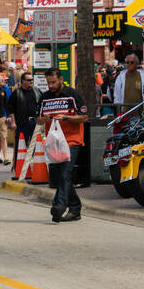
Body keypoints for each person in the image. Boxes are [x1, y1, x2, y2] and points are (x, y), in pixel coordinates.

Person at [38, 69, 89, 222]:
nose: (51, 86)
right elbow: (37, 119)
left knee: (65, 173)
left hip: (72, 140)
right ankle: (75, 208)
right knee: (62, 175)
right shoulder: (45, 97)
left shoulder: (73, 94)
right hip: (54, 142)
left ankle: (59, 206)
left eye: (53, 82)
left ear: (61, 79)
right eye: (48, 83)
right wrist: (44, 119)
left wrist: (66, 117)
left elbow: (84, 117)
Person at [6, 69, 41, 158]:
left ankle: (32, 165)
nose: (31, 82)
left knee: (36, 146)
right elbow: (10, 109)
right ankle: (18, 167)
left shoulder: (37, 91)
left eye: (32, 80)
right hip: (22, 123)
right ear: (23, 81)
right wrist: (13, 122)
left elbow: (42, 105)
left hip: (35, 123)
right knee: (20, 146)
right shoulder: (17, 93)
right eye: (29, 80)